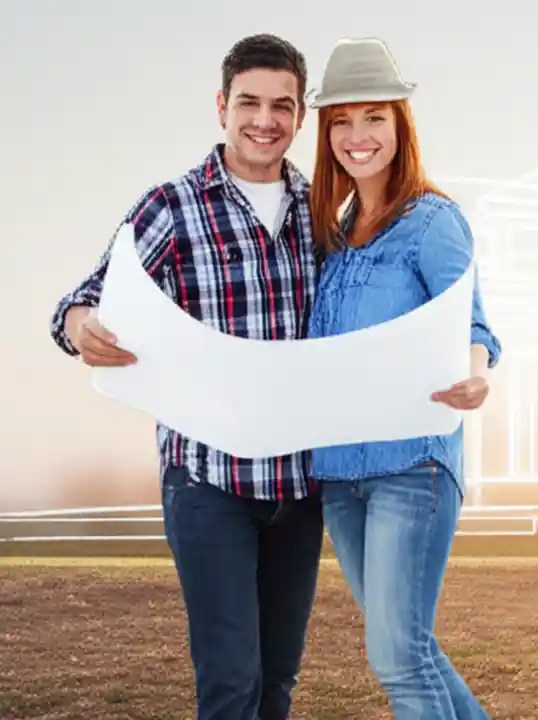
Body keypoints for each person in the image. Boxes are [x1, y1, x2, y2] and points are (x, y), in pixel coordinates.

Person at [50, 34, 323, 720]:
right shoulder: (171, 207)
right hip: (208, 481)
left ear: (300, 115)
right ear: (222, 106)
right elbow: (82, 299)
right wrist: (85, 328)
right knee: (230, 678)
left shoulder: (324, 213)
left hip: (301, 483)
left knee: (277, 681)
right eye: (250, 103)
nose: (266, 120)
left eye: (282, 106)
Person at [304, 37, 501, 719]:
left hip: (410, 466)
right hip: (338, 475)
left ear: (400, 125)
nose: (358, 136)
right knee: (410, 648)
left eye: (373, 118)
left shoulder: (433, 222)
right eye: (341, 122)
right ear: (326, 134)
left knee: (395, 656)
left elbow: (473, 326)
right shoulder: (332, 234)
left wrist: (476, 377)